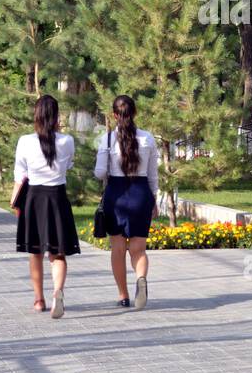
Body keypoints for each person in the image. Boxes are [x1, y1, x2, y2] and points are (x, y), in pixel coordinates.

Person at [10, 94, 78, 318]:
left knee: (35, 252)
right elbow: (67, 165)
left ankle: (39, 300)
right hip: (57, 198)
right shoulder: (67, 141)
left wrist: (14, 202)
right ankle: (57, 292)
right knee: (58, 254)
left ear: (36, 115)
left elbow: (20, 175)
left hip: (33, 198)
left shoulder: (25, 141)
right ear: (57, 116)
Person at [94, 94, 159, 310]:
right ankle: (141, 277)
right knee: (139, 249)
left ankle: (123, 295)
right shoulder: (148, 138)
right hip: (141, 193)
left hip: (116, 194)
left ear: (114, 115)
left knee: (118, 249)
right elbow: (152, 175)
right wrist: (154, 200)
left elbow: (100, 172)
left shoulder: (108, 139)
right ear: (135, 113)